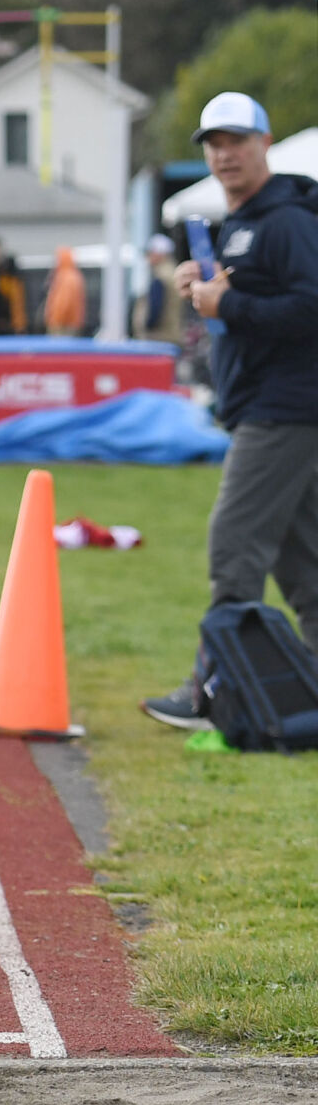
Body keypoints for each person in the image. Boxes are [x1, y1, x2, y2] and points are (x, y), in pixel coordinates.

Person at [142, 92, 318, 729]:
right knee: (306, 566)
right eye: (214, 144)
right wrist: (209, 286)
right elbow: (262, 298)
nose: (224, 154)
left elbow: (310, 307)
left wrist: (228, 305)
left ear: (264, 143)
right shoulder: (243, 220)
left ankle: (212, 694)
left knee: (235, 547)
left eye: (236, 140)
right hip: (273, 407)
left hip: (282, 410)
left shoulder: (286, 220)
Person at [131, 233, 184, 344]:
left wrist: (147, 325)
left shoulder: (161, 277)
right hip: (171, 336)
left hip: (159, 338)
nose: (147, 257)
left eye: (150, 253)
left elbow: (155, 308)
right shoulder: (174, 273)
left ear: (160, 254)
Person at [42, 246, 86, 336]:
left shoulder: (66, 277)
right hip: (70, 323)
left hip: (63, 325)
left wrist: (55, 320)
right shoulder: (73, 275)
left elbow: (63, 302)